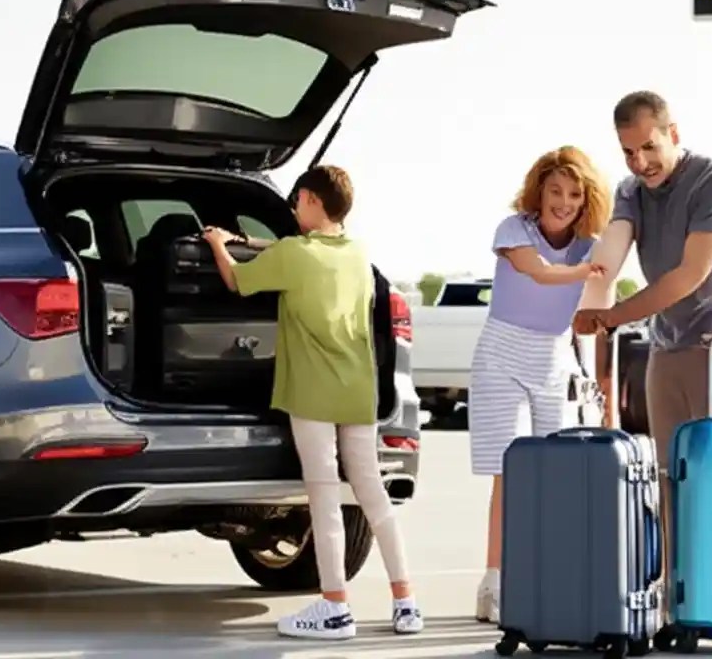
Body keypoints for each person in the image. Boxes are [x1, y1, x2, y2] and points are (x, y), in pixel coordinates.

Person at [201, 165, 421, 641]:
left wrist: (219, 244)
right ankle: (406, 602)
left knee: (323, 498)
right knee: (372, 497)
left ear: (312, 201)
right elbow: (293, 250)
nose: (294, 206)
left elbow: (237, 280)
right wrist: (253, 239)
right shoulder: (358, 254)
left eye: (298, 200)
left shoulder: (294, 255)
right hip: (358, 390)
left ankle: (336, 608)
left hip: (313, 393)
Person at [572, 91, 712, 631]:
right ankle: (678, 596)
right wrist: (586, 316)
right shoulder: (630, 190)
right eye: (628, 152)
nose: (639, 162)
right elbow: (609, 256)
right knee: (669, 475)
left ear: (674, 133)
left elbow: (689, 275)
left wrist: (613, 317)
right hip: (667, 344)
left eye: (648, 147)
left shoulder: (711, 181)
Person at [467, 145, 613, 624]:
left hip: (552, 356)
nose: (564, 201)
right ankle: (495, 584)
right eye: (555, 191)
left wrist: (597, 381)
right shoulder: (515, 230)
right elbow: (538, 272)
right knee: (507, 471)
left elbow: (592, 314)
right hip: (502, 352)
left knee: (556, 472)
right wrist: (585, 271)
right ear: (539, 191)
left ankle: (549, 575)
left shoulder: (590, 245)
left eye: (574, 193)